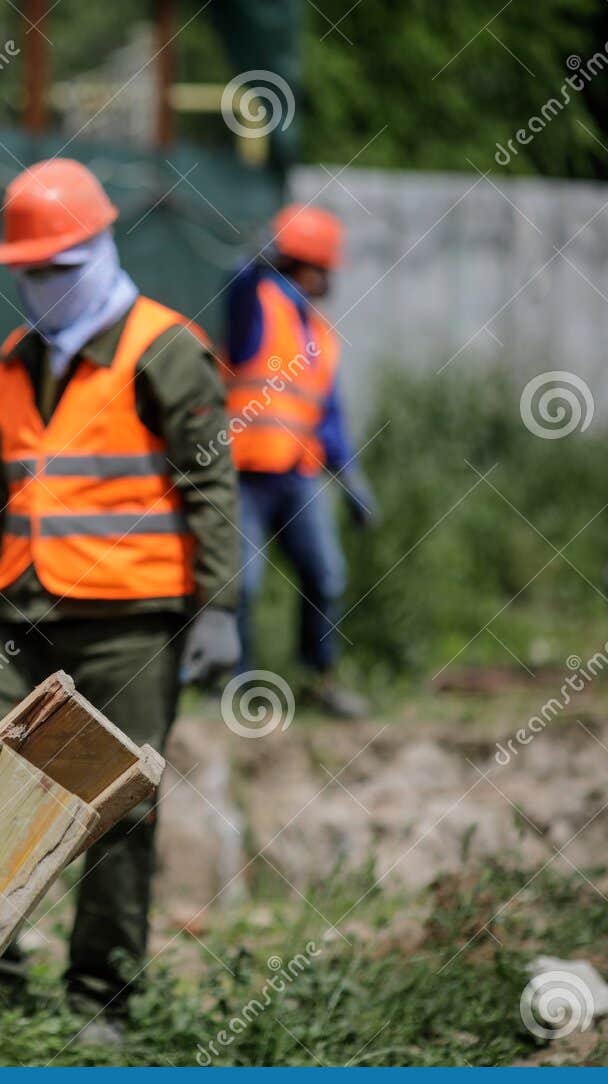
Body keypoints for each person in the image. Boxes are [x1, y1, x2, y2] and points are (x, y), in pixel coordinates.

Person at [0, 159, 241, 1040]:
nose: (42, 286)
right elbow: (1, 499)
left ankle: (99, 1003)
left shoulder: (165, 348)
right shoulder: (12, 361)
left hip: (130, 623)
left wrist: (220, 606)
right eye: (29, 270)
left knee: (116, 811)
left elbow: (211, 486)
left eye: (58, 268)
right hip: (20, 620)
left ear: (100, 250)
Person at [223, 204, 375, 718]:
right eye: (325, 268)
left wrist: (351, 478)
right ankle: (235, 685)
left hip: (300, 475)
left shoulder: (320, 334)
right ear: (307, 267)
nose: (330, 279)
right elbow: (238, 292)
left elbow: (327, 417)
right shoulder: (258, 302)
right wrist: (253, 263)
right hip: (245, 474)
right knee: (241, 584)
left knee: (326, 574)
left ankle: (319, 679)